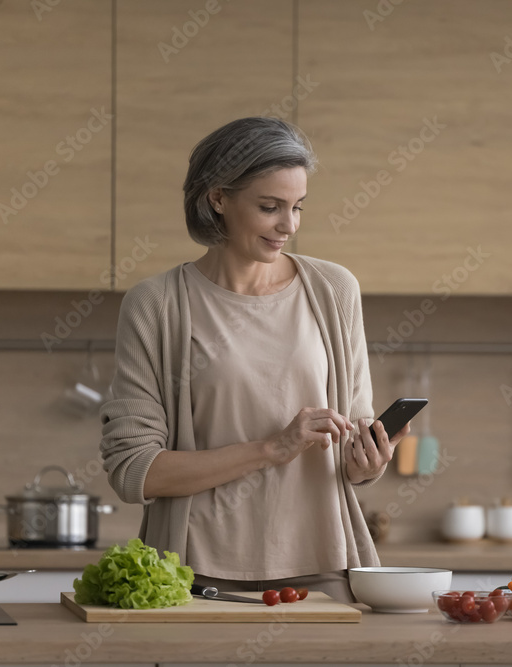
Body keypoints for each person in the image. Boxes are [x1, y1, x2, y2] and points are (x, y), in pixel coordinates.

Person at [99, 117, 410, 602]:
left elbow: (352, 453)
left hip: (323, 566)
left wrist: (368, 460)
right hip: (194, 576)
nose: (289, 226)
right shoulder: (156, 305)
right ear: (218, 198)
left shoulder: (333, 291)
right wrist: (271, 448)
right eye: (270, 207)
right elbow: (135, 470)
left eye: (297, 207)